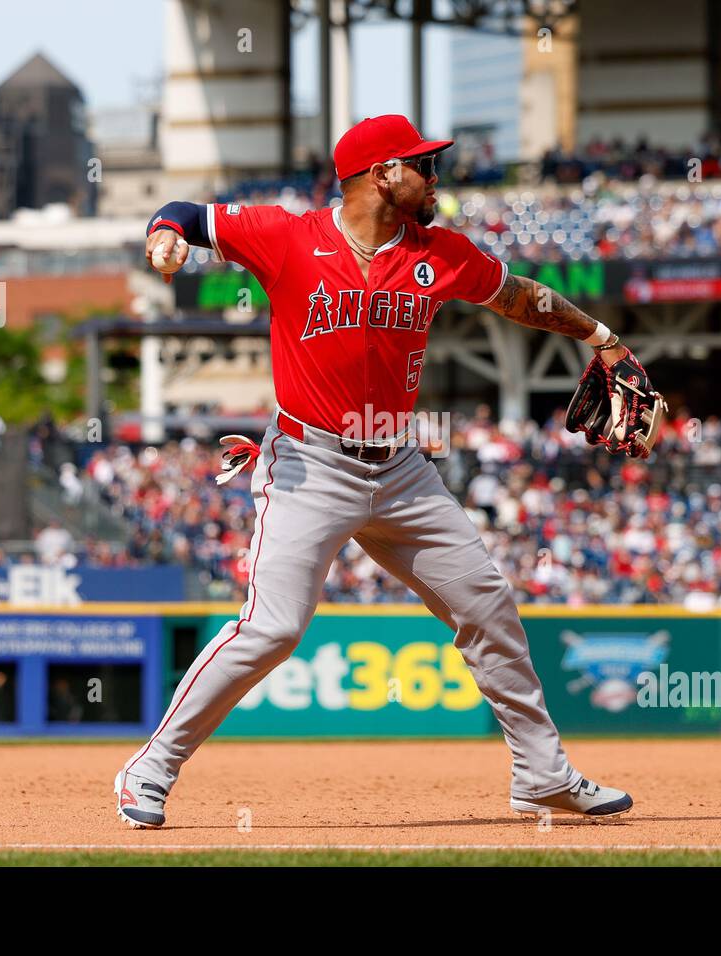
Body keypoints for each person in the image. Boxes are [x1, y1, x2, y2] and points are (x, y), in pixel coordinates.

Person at [115, 114, 663, 829]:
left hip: (401, 468)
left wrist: (601, 336)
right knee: (273, 629)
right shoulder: (288, 236)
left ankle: (542, 774)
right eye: (423, 166)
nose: (436, 178)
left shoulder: (439, 252)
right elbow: (187, 213)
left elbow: (520, 295)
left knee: (487, 604)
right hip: (308, 464)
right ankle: (149, 767)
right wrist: (165, 235)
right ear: (382, 174)